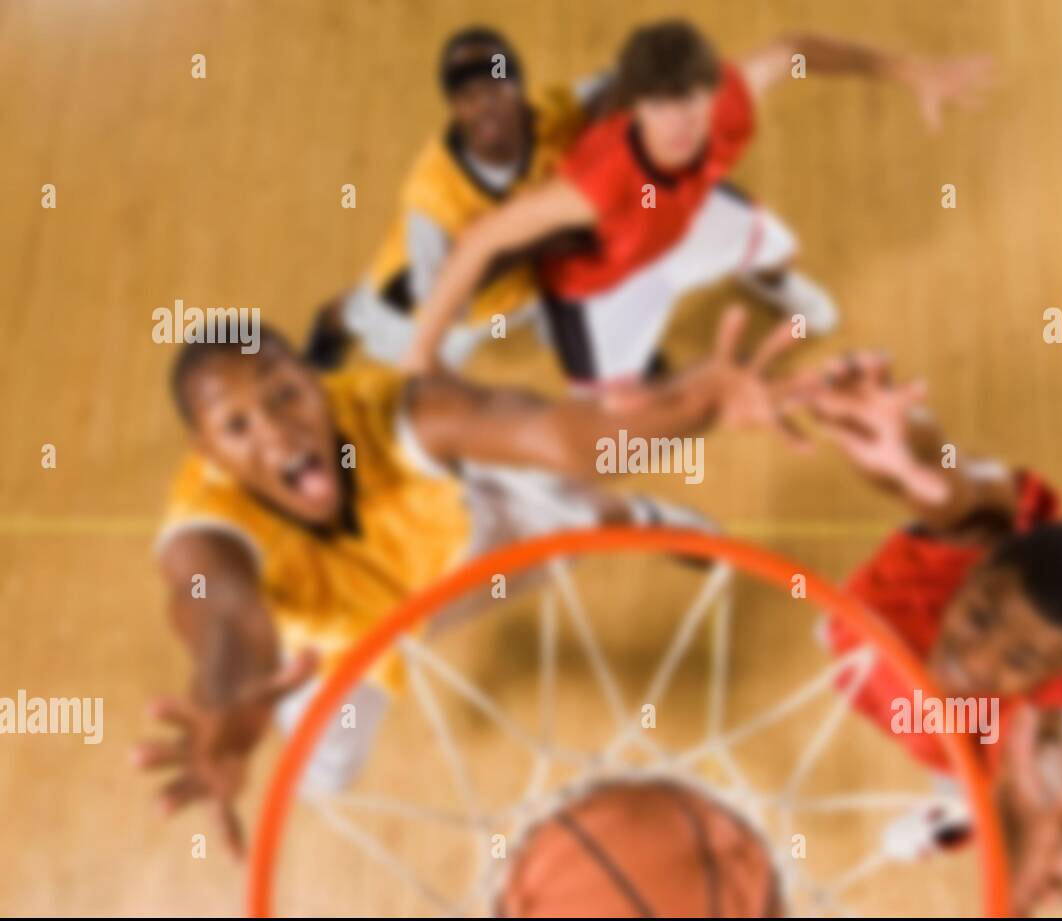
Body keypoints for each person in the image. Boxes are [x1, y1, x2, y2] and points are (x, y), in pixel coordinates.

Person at [134, 307, 799, 853]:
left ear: (315, 382)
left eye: (284, 394)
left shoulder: (400, 409)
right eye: (237, 425)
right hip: (335, 646)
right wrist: (226, 694)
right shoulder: (205, 528)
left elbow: (575, 438)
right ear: (205, 450)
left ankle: (625, 516)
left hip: (452, 554)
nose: (277, 430)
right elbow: (218, 607)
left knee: (568, 506)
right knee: (323, 776)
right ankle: (597, 518)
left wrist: (694, 408)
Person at [404, 20, 993, 383]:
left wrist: (904, 68)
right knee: (617, 424)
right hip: (603, 288)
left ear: (713, 89)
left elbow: (794, 50)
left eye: (692, 100)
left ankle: (767, 282)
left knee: (777, 245)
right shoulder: (595, 181)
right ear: (634, 107)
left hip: (682, 222)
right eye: (660, 106)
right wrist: (420, 362)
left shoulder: (728, 102)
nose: (682, 124)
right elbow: (482, 240)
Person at [803, 353, 1062, 916]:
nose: (975, 658)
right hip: (885, 636)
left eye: (1020, 659)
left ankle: (953, 822)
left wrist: (1039, 830)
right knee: (849, 635)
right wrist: (904, 451)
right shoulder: (981, 534)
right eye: (980, 617)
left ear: (1055, 674)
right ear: (978, 566)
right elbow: (950, 477)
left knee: (964, 787)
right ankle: (846, 638)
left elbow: (1052, 781)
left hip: (970, 748)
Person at [307, 25, 590, 370]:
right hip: (438, 308)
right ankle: (334, 324)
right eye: (469, 96)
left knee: (601, 312)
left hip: (531, 286)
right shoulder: (430, 196)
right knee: (362, 317)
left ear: (519, 89)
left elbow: (622, 82)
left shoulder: (553, 111)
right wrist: (534, 242)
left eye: (495, 87)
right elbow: (442, 299)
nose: (485, 105)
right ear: (455, 107)